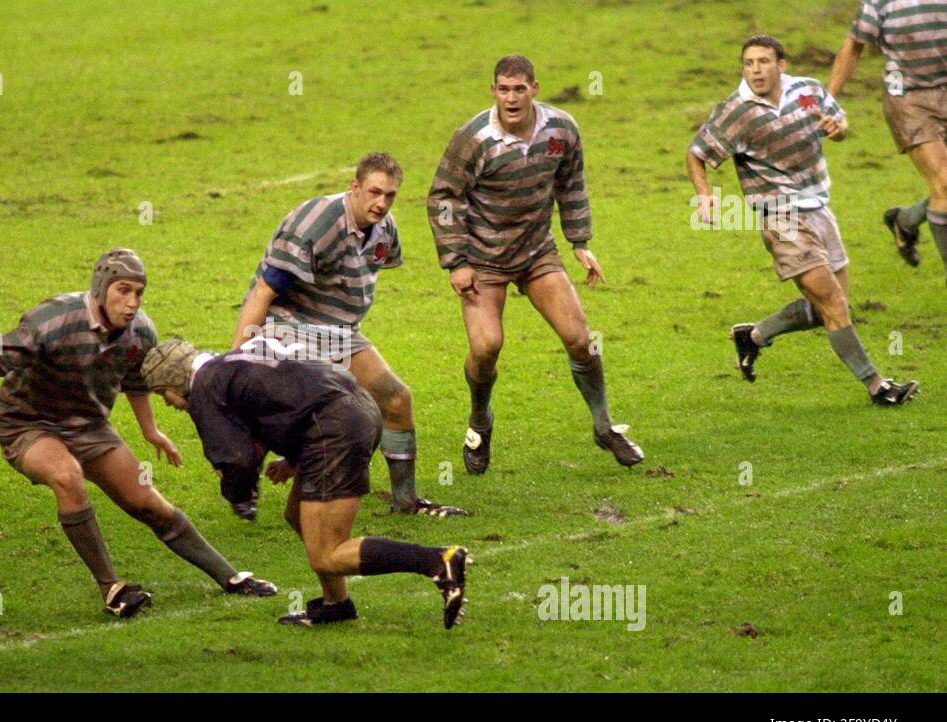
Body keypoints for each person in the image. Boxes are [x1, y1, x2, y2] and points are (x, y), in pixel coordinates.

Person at [0, 249, 277, 618]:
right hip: (27, 425)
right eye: (123, 290)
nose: (131, 303)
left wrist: (151, 430)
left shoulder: (140, 331)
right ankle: (113, 589)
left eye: (139, 293)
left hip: (90, 427)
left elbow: (134, 379)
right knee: (67, 476)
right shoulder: (55, 318)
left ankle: (232, 577)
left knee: (148, 502)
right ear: (101, 287)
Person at [142, 337, 470, 629]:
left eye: (162, 394)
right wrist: (295, 460)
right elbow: (288, 397)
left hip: (333, 427)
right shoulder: (233, 362)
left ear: (173, 378)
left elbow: (235, 458)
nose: (169, 404)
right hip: (356, 408)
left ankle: (437, 561)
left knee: (327, 553)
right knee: (297, 515)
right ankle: (336, 604)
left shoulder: (203, 388)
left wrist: (239, 495)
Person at [427, 54, 644, 476]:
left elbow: (571, 182)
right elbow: (443, 198)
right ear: (493, 91)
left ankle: (604, 426)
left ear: (535, 89)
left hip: (536, 253)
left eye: (519, 89)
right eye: (504, 89)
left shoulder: (561, 129)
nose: (511, 98)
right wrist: (456, 261)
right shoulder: (473, 138)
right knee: (486, 347)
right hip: (484, 260)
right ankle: (480, 420)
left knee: (581, 338)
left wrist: (580, 242)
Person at [231, 153, 466, 518]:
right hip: (288, 324)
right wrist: (238, 357)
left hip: (339, 331)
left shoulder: (385, 229)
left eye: (390, 195)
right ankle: (247, 484)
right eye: (374, 192)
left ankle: (407, 503)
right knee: (326, 407)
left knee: (396, 399)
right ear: (354, 187)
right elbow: (264, 290)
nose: (382, 202)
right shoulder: (318, 223)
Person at [688, 34, 918, 405]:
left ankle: (756, 336)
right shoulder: (737, 111)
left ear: (782, 64)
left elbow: (839, 124)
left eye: (763, 61)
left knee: (827, 307)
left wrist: (837, 130)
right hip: (781, 217)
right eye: (748, 63)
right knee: (834, 304)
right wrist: (704, 198)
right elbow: (696, 153)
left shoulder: (809, 91)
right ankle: (878, 386)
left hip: (820, 210)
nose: (755, 70)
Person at [827, 0, 947, 276]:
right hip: (909, 98)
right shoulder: (880, 3)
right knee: (944, 183)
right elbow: (853, 46)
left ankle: (905, 220)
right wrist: (828, 99)